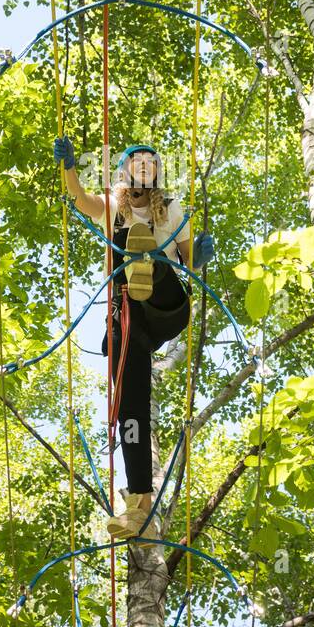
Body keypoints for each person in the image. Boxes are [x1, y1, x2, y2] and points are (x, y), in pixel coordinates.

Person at [53, 136, 214, 538]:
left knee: (140, 254)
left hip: (165, 304)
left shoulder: (171, 209)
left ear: (157, 173)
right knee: (131, 409)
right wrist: (69, 169)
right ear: (125, 172)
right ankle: (138, 504)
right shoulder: (113, 207)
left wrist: (198, 253)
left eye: (151, 161)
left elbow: (189, 261)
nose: (144, 164)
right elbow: (80, 199)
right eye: (136, 160)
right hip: (129, 323)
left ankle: (144, 266)